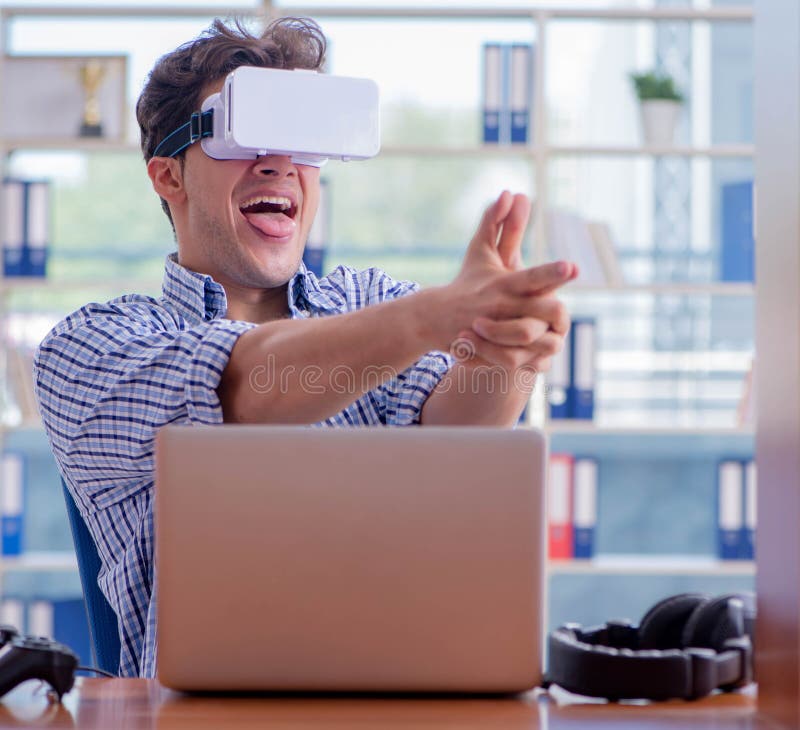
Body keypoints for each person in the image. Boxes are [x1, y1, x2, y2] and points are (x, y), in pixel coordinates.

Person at [34, 16, 576, 678]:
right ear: (167, 177)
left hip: (404, 694)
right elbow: (236, 386)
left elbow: (457, 426)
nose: (278, 163)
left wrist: (500, 350)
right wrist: (431, 317)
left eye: (300, 140)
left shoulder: (377, 303)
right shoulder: (89, 348)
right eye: (244, 133)